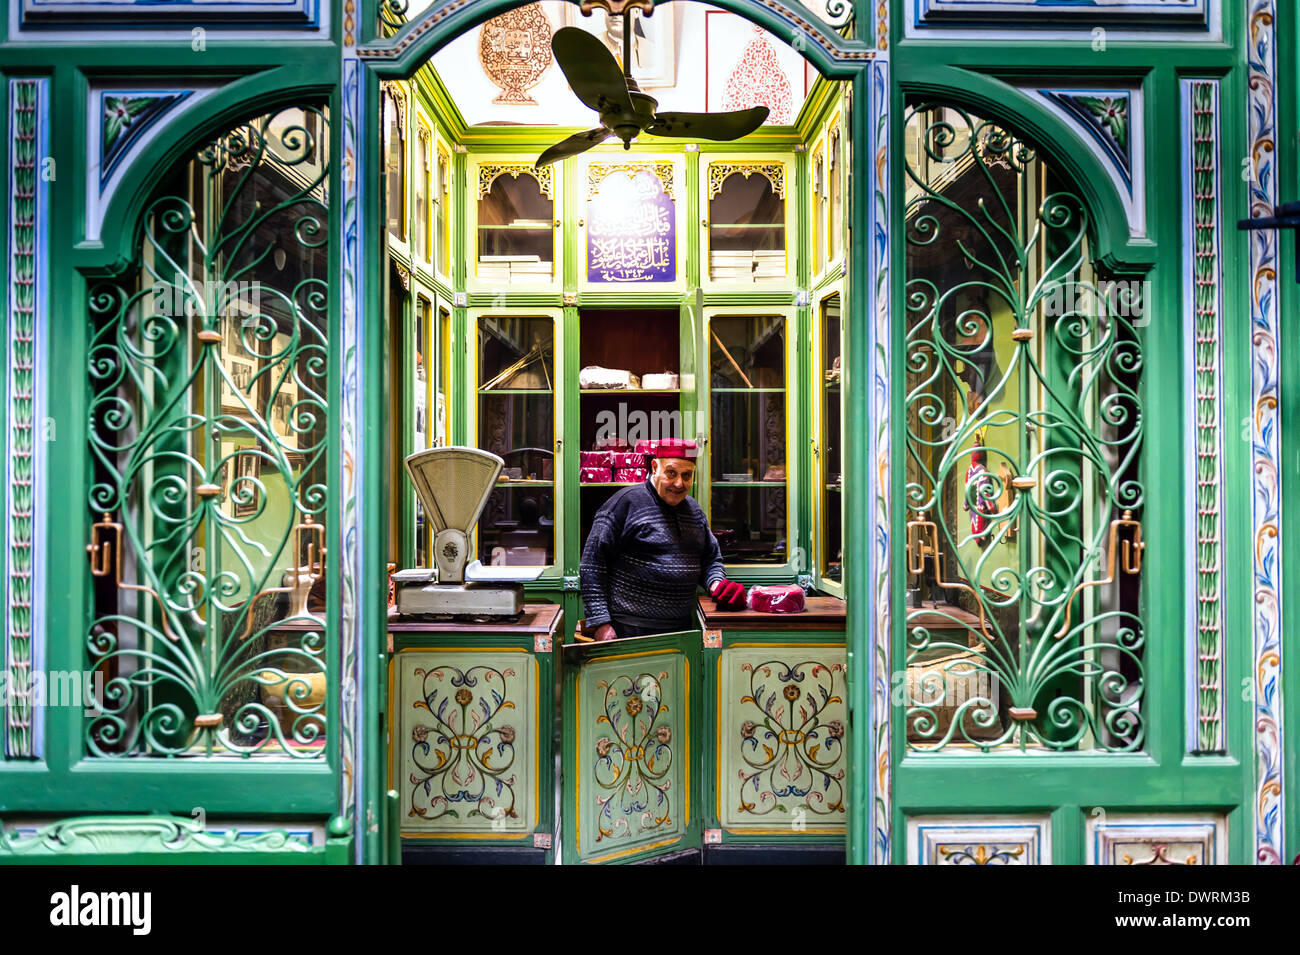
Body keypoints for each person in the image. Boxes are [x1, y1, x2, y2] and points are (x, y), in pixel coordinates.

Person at [579, 440, 747, 641]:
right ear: (654, 467)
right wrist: (601, 622)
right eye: (671, 473)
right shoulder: (624, 503)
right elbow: (592, 564)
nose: (679, 483)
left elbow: (710, 559)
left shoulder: (694, 511)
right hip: (628, 630)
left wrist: (716, 584)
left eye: (686, 476)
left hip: (681, 629)